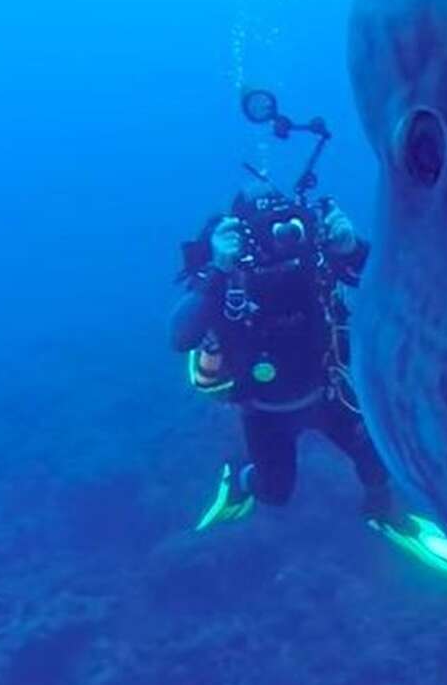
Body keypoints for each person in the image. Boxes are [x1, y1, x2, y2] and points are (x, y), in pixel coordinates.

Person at [170, 184, 404, 535]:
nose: (282, 237)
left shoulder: (314, 255)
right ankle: (239, 479)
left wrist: (352, 247)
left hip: (329, 390)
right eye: (268, 227)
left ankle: (381, 512)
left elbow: (392, 283)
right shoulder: (234, 272)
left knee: (378, 464)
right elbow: (181, 336)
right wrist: (219, 269)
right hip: (265, 410)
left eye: (289, 225)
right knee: (275, 492)